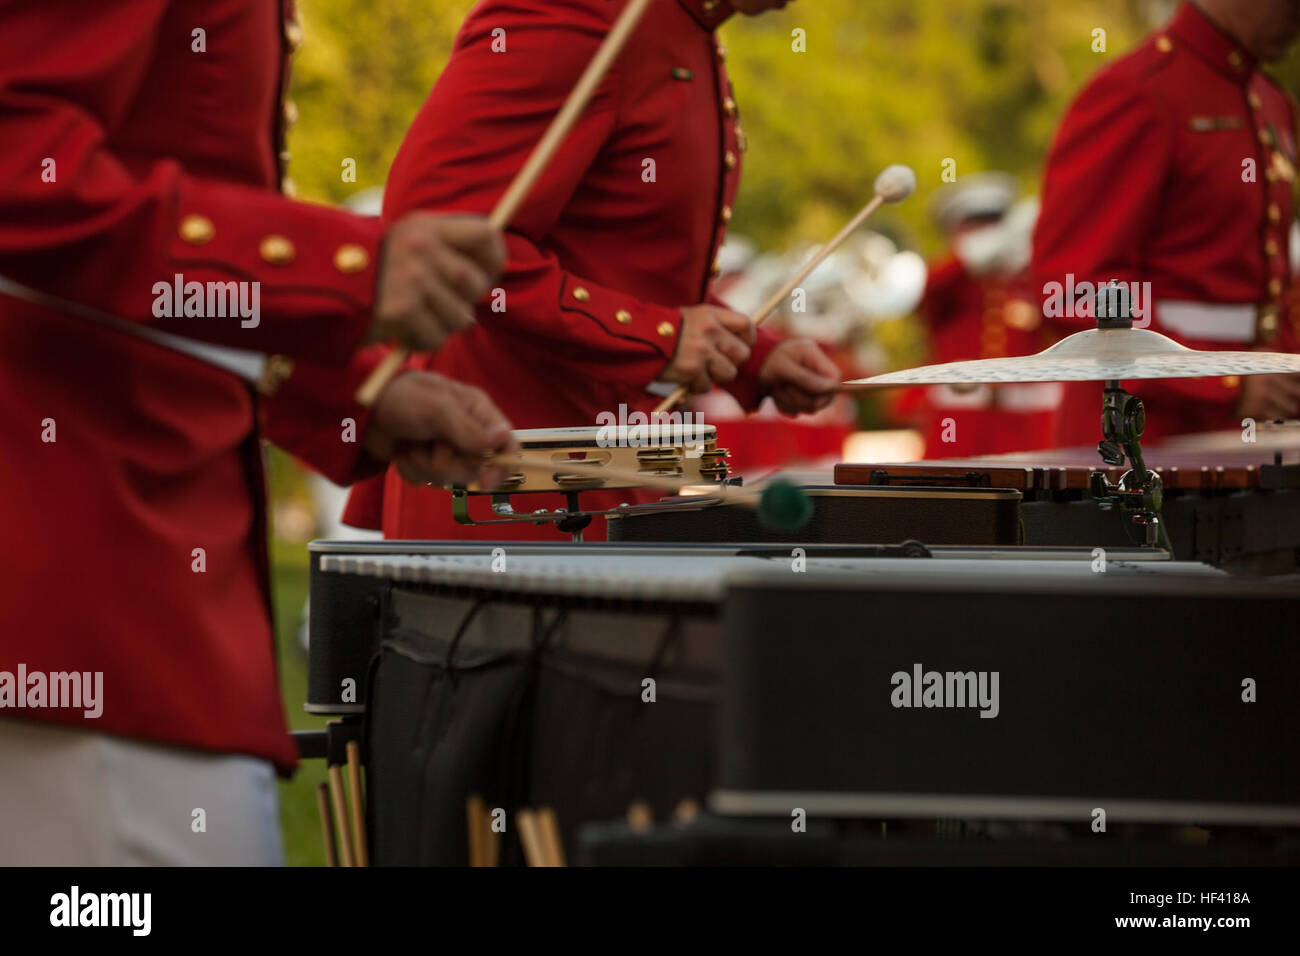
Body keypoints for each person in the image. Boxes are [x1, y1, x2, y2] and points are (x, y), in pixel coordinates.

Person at [0, 1, 516, 864]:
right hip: (79, 593)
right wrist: (344, 269)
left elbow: (127, 273)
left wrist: (355, 394)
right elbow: (21, 164)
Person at [343, 0, 841, 541]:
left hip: (614, 464)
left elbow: (620, 264)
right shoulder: (580, 12)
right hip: (512, 481)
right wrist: (659, 338)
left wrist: (752, 354)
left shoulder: (685, 27)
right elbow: (436, 234)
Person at [1034, 0, 1300, 447]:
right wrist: (1222, 383)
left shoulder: (1271, 100)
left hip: (1253, 427)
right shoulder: (1137, 91)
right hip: (1143, 433)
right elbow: (1073, 289)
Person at [911, 174, 1059, 457]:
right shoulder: (949, 278)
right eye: (975, 227)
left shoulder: (1026, 280)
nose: (987, 235)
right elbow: (924, 293)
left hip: (1026, 421)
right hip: (961, 419)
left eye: (994, 225)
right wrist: (968, 257)